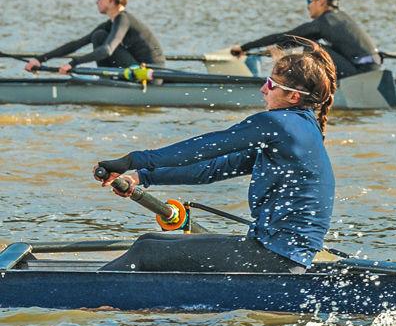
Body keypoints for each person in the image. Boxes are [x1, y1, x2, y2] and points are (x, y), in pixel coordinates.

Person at [94, 43, 338, 274]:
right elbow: (212, 169)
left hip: (275, 259)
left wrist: (132, 160)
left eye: (271, 84)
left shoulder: (277, 124)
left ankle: (91, 301)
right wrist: (141, 176)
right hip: (282, 257)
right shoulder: (302, 127)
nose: (263, 89)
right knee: (148, 240)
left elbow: (203, 148)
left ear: (294, 97)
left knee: (145, 252)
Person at [230, 0, 381, 79]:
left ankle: (292, 85)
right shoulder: (342, 17)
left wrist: (243, 48)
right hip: (372, 68)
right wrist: (277, 49)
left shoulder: (324, 22)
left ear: (320, 1)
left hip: (360, 74)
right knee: (304, 44)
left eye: (309, 0)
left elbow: (283, 37)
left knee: (311, 47)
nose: (308, 5)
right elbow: (288, 41)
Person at [25, 0, 165, 75]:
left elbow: (107, 50)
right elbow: (77, 44)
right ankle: (106, 81)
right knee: (97, 35)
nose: (96, 1)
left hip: (151, 74)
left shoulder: (123, 19)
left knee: (100, 37)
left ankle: (106, 83)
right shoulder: (112, 22)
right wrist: (40, 59)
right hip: (138, 70)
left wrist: (73, 63)